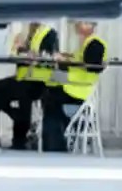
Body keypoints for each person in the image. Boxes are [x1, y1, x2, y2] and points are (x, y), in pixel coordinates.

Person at [0, 21, 58, 149]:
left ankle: (20, 138)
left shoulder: (49, 34)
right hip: (22, 77)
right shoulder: (24, 34)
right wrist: (17, 49)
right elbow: (18, 54)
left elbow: (50, 58)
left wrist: (28, 53)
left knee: (23, 95)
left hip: (40, 81)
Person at [40, 20, 108, 152]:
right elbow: (81, 60)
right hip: (74, 88)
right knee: (49, 93)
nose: (77, 25)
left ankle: (55, 146)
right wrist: (67, 58)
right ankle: (58, 139)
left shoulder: (95, 43)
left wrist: (66, 61)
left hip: (78, 91)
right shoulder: (85, 43)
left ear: (91, 26)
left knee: (50, 99)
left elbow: (91, 65)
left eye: (83, 22)